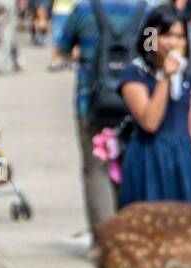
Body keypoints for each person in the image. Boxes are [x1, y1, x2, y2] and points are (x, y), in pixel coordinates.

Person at [104, 3, 191, 268]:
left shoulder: (188, 76)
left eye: (180, 35)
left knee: (169, 257)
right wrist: (164, 77)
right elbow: (148, 120)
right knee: (138, 256)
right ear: (151, 37)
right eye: (167, 35)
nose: (174, 42)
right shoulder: (135, 75)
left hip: (179, 165)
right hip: (148, 164)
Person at [57, 0, 150, 241]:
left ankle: (106, 238)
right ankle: (126, 232)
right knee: (127, 163)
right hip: (135, 102)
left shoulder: (84, 9)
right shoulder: (146, 10)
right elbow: (152, 53)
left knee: (96, 168)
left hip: (91, 101)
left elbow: (62, 49)